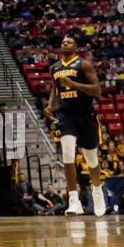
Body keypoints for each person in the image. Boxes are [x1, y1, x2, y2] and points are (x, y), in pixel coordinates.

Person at [43, 35, 106, 217]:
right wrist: (50, 105)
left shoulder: (84, 65)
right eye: (62, 41)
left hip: (85, 114)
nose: (64, 43)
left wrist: (74, 84)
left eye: (69, 42)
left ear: (76, 47)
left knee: (91, 159)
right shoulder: (54, 68)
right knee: (68, 153)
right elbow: (56, 89)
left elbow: (97, 90)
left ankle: (97, 192)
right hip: (66, 116)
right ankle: (73, 200)